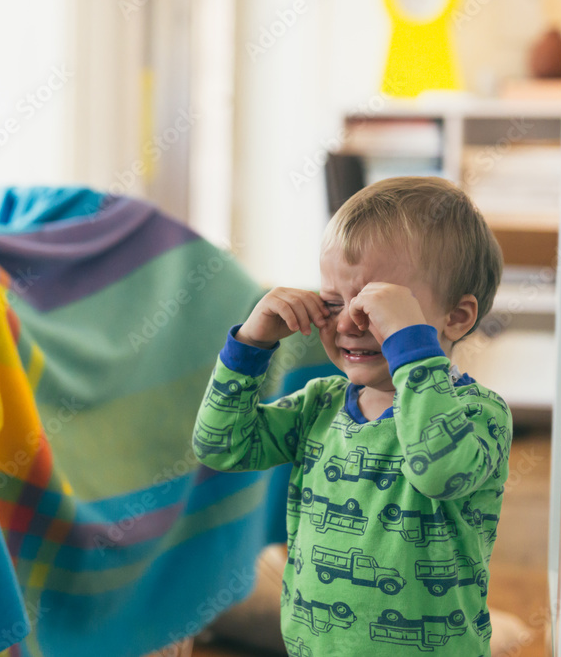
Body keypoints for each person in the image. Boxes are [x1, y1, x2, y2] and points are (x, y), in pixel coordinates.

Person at [193, 176, 510, 654]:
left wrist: (410, 348)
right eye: (333, 303)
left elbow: (439, 471)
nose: (346, 323)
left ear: (457, 317)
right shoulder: (318, 403)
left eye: (378, 306)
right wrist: (250, 346)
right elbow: (220, 446)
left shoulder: (479, 414)